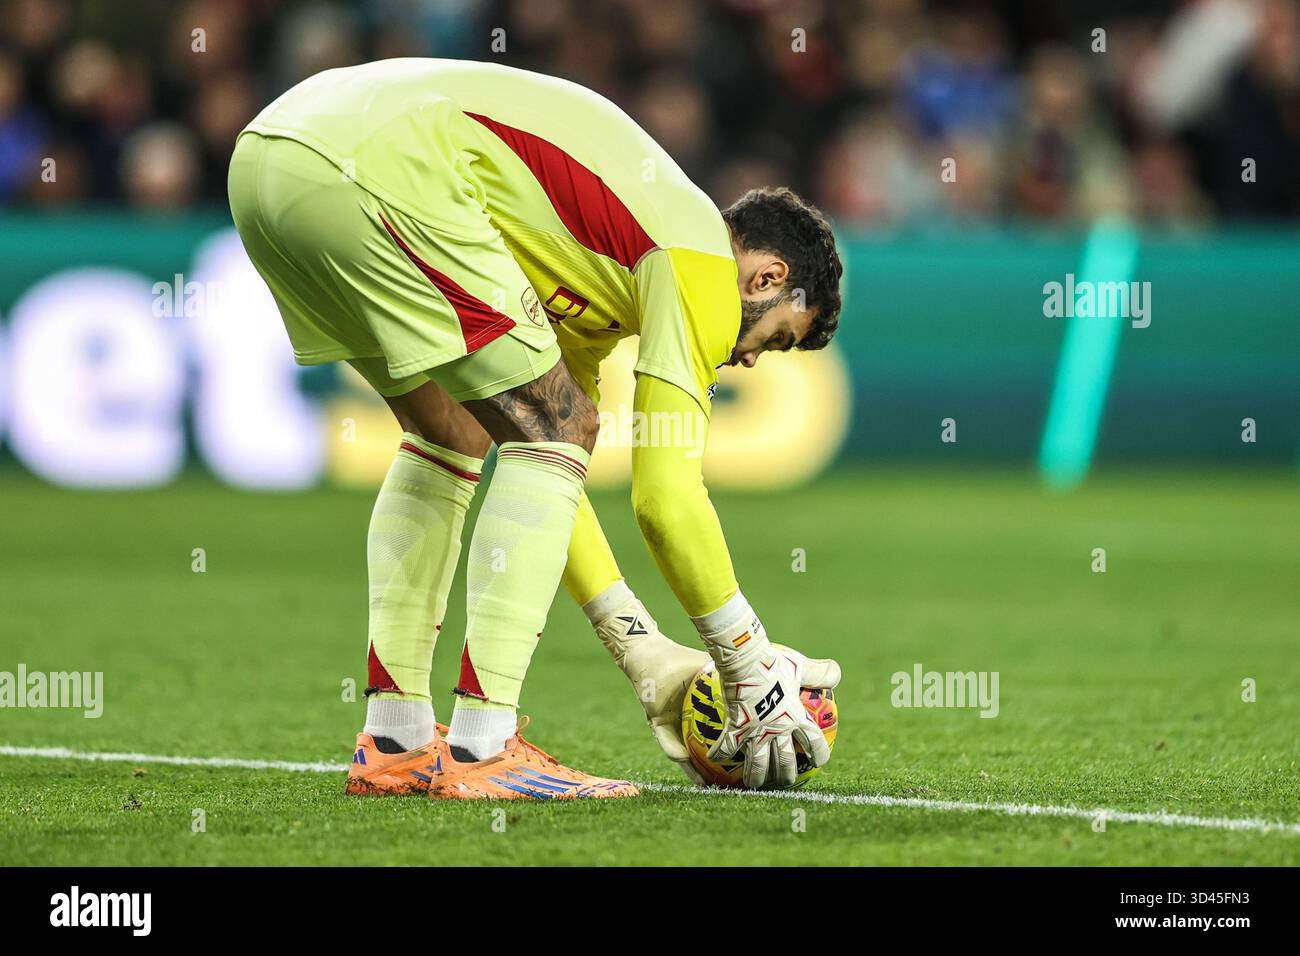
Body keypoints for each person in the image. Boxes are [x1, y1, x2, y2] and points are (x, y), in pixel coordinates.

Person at [227, 58, 844, 800]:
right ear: (768, 277)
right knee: (554, 431)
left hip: (270, 159)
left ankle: (396, 740)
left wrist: (644, 654)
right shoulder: (700, 263)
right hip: (380, 165)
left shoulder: (606, 262)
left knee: (454, 432)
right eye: (774, 339)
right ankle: (484, 750)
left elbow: (551, 471)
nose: (747, 360)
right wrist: (747, 663)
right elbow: (665, 500)